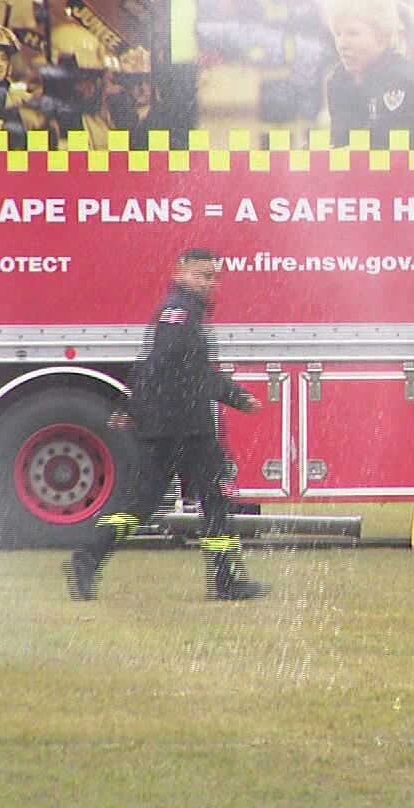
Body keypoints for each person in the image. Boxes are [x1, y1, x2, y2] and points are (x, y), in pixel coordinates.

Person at [67, 250, 266, 602]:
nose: (209, 284)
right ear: (181, 273)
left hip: (169, 426)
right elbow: (165, 367)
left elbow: (180, 370)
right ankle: (226, 581)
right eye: (202, 275)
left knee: (144, 503)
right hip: (185, 426)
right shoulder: (181, 315)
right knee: (214, 498)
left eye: (213, 277)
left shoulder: (181, 313)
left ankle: (88, 559)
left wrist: (134, 407)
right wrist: (234, 395)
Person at [324, 0, 414, 149]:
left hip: (411, 171)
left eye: (353, 33)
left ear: (382, 37)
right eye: (338, 34)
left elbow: (376, 148)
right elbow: (340, 142)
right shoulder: (338, 80)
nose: (342, 44)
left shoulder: (401, 79)